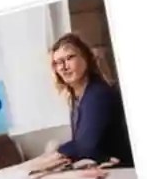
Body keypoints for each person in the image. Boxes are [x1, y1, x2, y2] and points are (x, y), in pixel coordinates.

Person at [27, 33, 133, 172]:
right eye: (58, 63)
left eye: (69, 58)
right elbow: (82, 146)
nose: (63, 67)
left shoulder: (98, 94)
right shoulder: (76, 98)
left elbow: (86, 146)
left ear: (86, 58)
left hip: (123, 173)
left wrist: (56, 152)